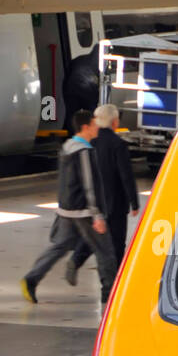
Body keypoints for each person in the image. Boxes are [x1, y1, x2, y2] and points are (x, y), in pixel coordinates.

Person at [21, 110, 119, 307]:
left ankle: (31, 279)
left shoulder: (67, 147)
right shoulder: (83, 151)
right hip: (84, 211)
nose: (97, 127)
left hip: (66, 209)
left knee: (60, 246)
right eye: (93, 123)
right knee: (105, 251)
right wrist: (97, 215)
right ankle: (109, 296)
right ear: (85, 127)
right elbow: (89, 184)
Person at [65, 104, 139, 287]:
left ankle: (76, 259)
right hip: (115, 202)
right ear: (114, 122)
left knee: (94, 236)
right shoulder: (118, 144)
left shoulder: (89, 142)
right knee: (116, 242)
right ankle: (115, 281)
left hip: (93, 201)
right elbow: (126, 175)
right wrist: (134, 201)